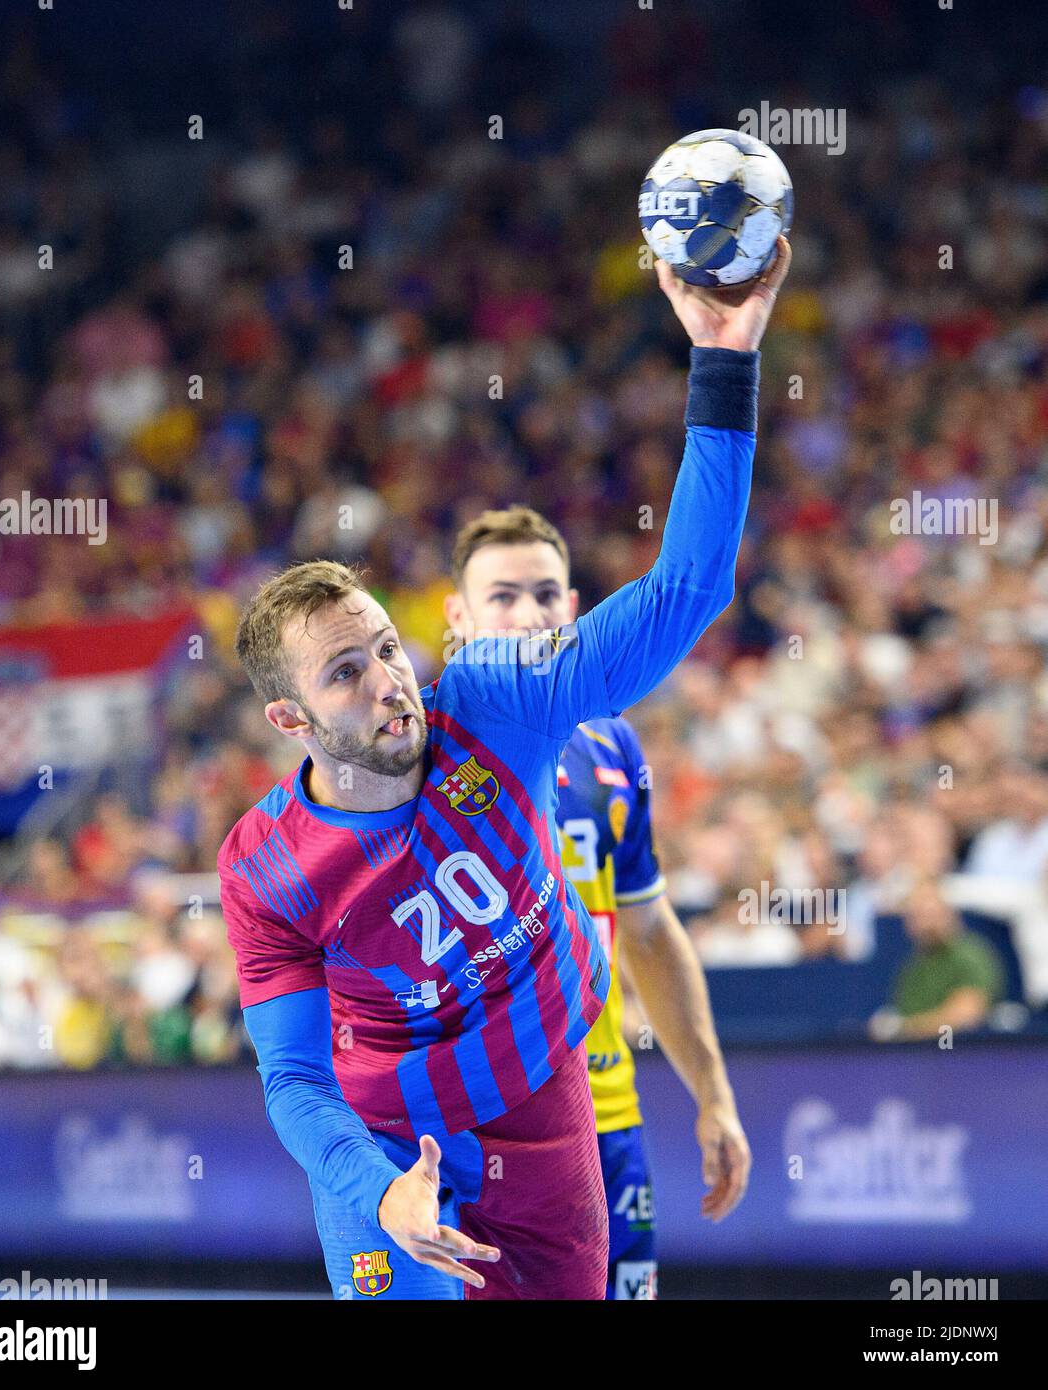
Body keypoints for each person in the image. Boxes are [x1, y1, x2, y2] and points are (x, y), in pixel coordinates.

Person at [217, 241, 790, 1301]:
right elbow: (293, 1076)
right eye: (347, 673)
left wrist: (721, 357)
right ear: (290, 718)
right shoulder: (266, 867)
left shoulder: (490, 700)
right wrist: (370, 1185)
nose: (389, 681)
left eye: (387, 647)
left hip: (543, 1112)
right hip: (388, 1149)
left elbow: (686, 591)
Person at [443, 503, 750, 1300]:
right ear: (457, 617)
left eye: (546, 595)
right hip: (474, 1137)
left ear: (573, 611)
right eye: (502, 596)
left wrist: (711, 1093)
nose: (527, 613)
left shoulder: (611, 745)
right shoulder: (426, 755)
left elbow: (648, 930)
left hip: (606, 1116)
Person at [869, 880, 1004, 1042]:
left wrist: (902, 1028)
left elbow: (966, 1015)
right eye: (918, 915)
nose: (926, 923)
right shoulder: (913, 966)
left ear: (950, 914)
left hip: (964, 1056)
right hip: (918, 1059)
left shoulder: (971, 954)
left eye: (931, 913)